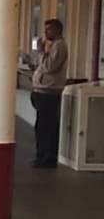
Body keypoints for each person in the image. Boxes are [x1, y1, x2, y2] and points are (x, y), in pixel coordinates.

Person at [31, 18, 68, 168]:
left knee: (47, 126)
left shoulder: (59, 46)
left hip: (49, 93)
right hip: (41, 91)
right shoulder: (52, 45)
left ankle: (48, 157)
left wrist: (41, 51)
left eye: (49, 29)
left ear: (57, 30)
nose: (45, 33)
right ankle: (41, 155)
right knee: (41, 126)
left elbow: (50, 66)